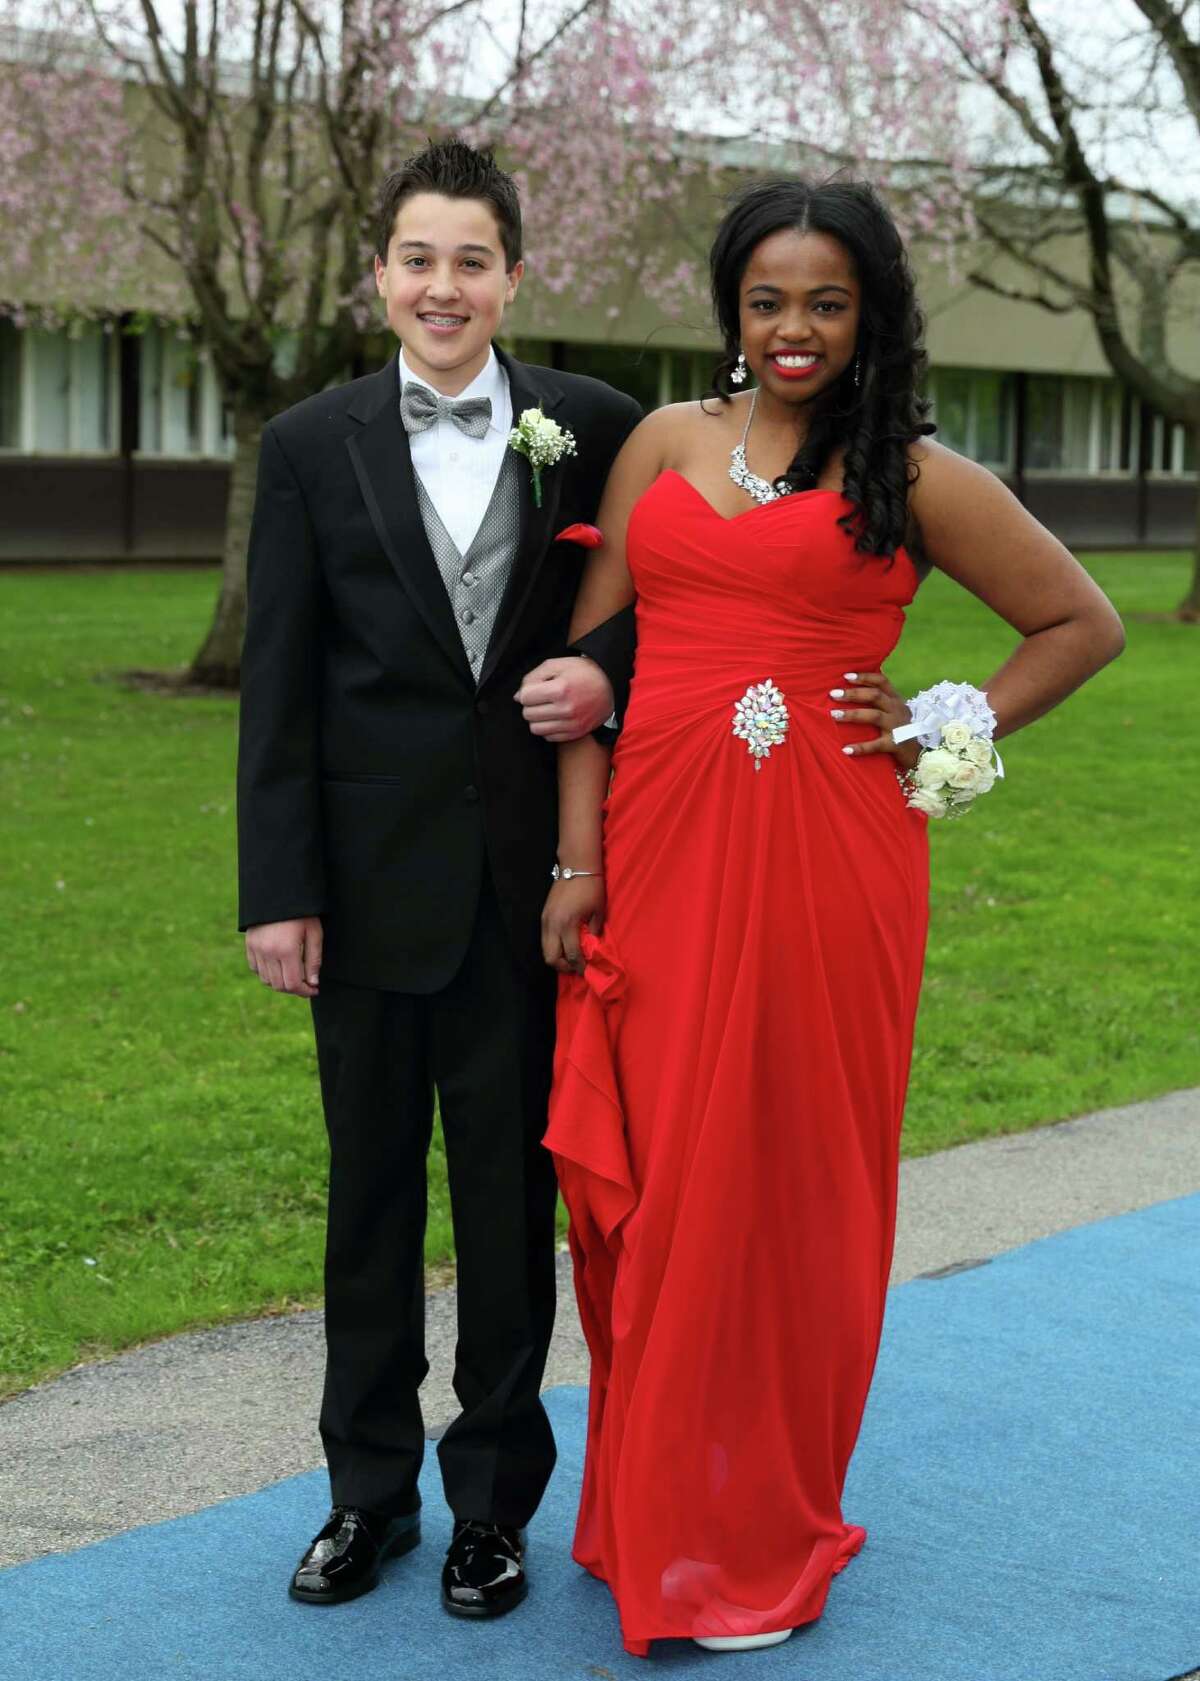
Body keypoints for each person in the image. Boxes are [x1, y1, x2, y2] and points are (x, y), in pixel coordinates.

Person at [540, 177, 1125, 1657]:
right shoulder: (664, 444)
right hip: (663, 848)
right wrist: (575, 862)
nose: (792, 328)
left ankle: (750, 1528)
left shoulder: (913, 472)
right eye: (767, 299)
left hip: (827, 858)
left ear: (870, 316)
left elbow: (1078, 623)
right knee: (667, 1178)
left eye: (826, 301)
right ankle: (651, 1506)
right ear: (731, 309)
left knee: (785, 1186)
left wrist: (945, 728)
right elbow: (592, 653)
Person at [237, 137, 640, 1621]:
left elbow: (674, 602)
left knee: (505, 1204)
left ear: (514, 276)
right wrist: (279, 889)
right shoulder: (307, 445)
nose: (444, 285)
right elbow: (276, 689)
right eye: (420, 258)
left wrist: (593, 673)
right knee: (367, 1206)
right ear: (382, 276)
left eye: (473, 259)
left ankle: (490, 1507)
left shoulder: (595, 427)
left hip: (526, 894)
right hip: (360, 893)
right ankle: (366, 1494)